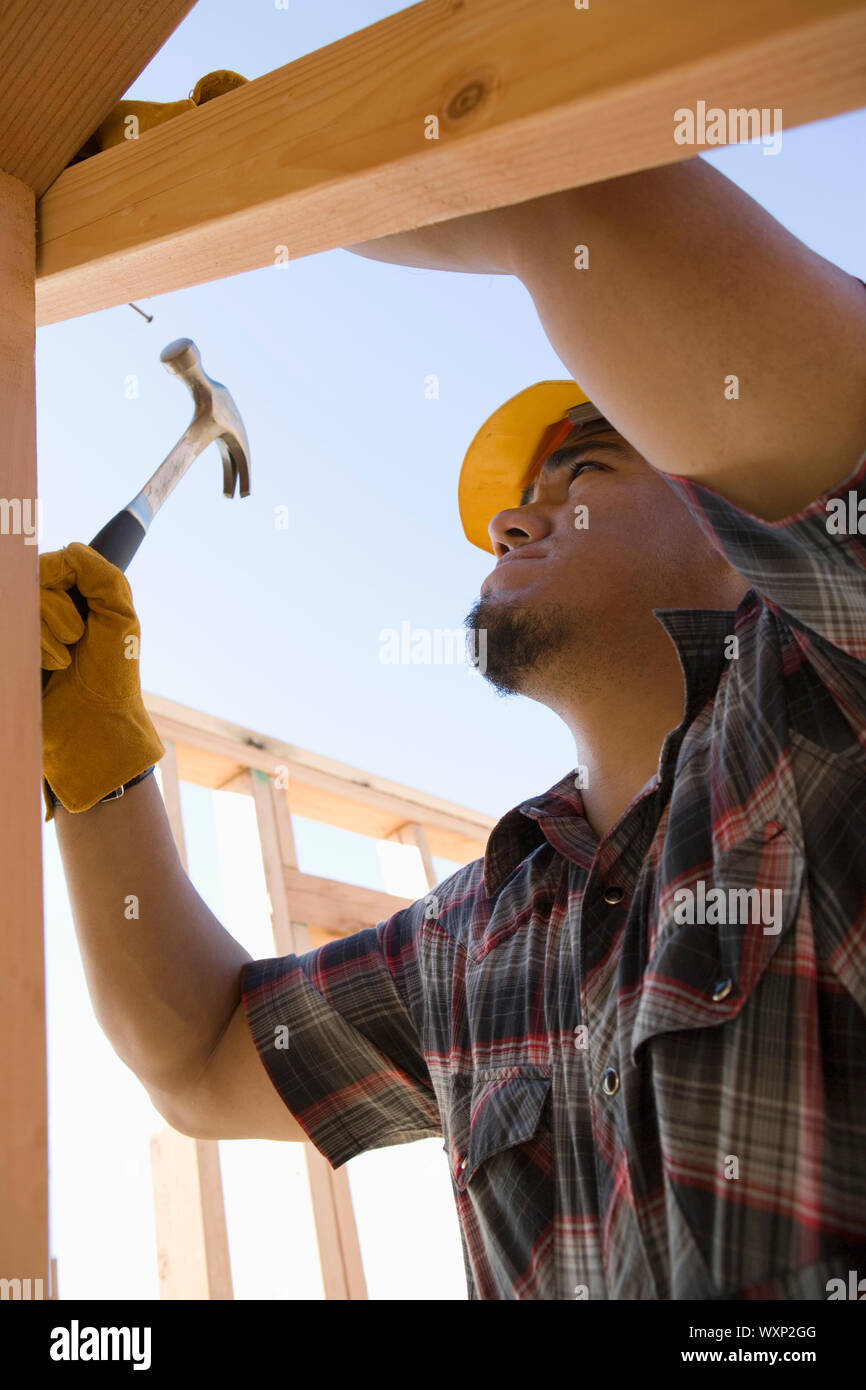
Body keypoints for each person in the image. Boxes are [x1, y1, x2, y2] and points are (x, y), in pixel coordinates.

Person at [41, 158, 866, 1300]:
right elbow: (198, 1056)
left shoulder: (825, 712)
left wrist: (316, 163)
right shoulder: (476, 937)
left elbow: (584, 193)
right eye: (505, 507)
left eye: (584, 471)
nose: (511, 518)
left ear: (732, 521)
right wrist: (97, 766)